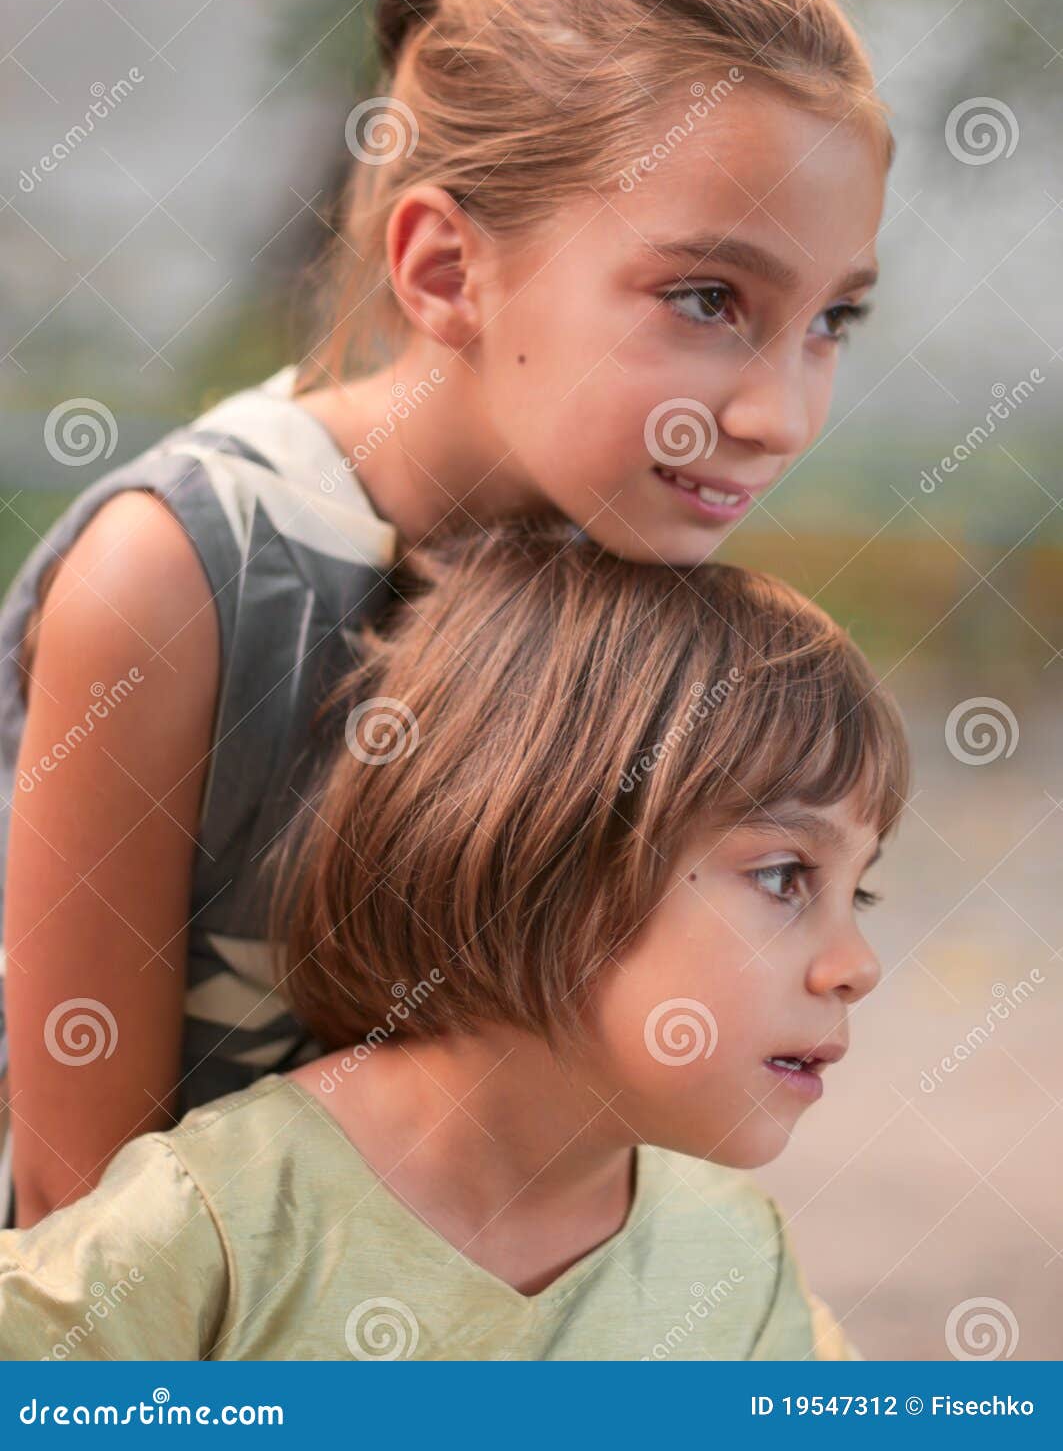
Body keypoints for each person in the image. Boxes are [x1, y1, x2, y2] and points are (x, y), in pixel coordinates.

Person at [0, 0, 892, 1226]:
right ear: (442, 269)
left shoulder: (637, 564)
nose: (780, 415)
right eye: (707, 297)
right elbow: (83, 1232)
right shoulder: (179, 582)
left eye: (832, 319)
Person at [0, 523, 908, 1360]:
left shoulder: (740, 1266)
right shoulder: (214, 1228)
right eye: (783, 876)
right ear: (538, 852)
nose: (856, 967)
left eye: (858, 891)